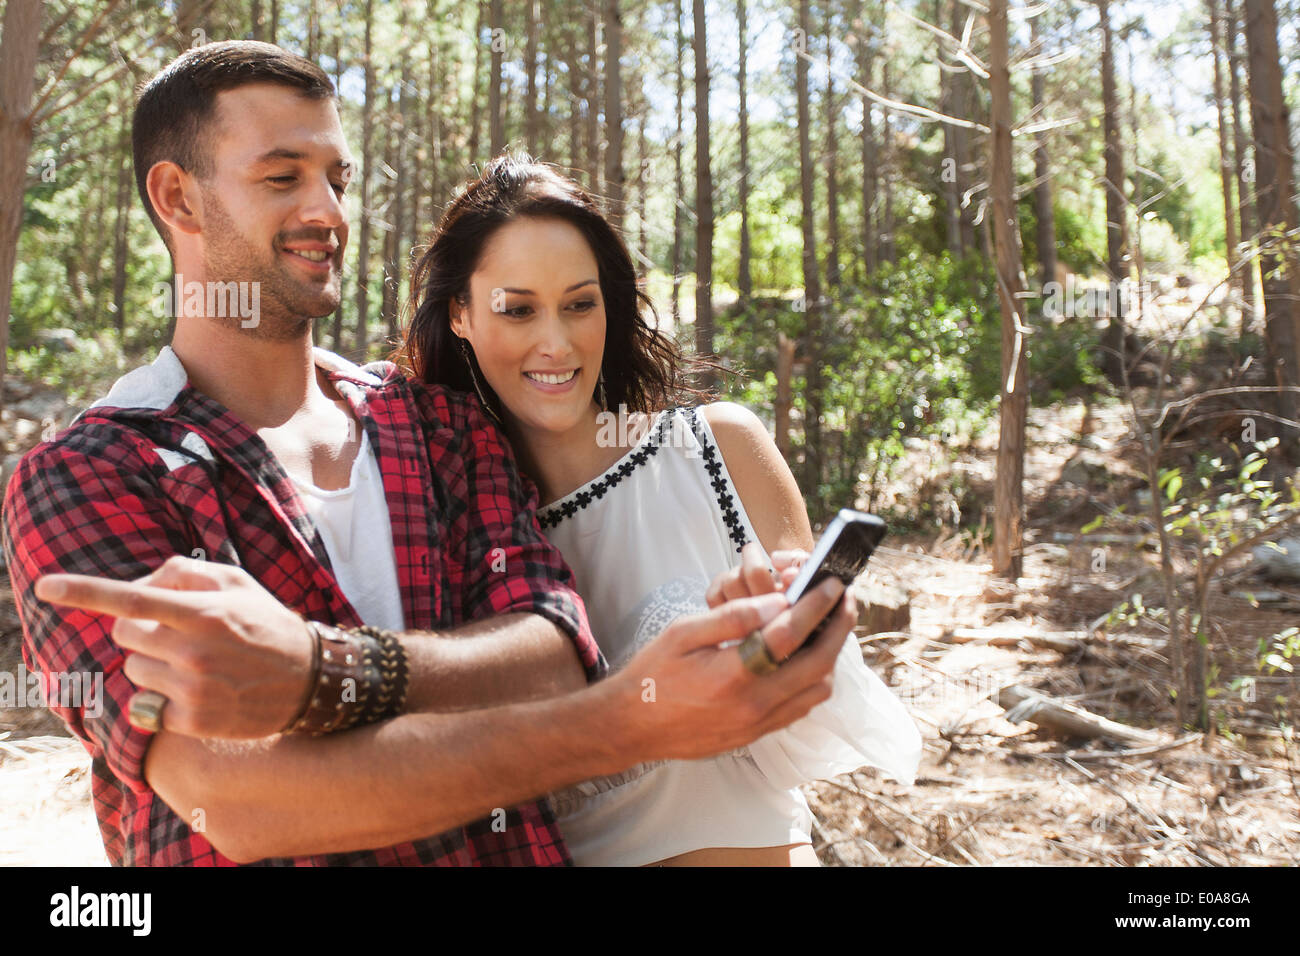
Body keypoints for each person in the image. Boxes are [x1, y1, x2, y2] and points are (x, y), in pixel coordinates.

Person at [4, 41, 856, 866]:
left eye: (337, 180)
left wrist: (319, 675)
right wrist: (626, 719)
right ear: (177, 198)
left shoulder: (436, 425)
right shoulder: (89, 474)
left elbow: (556, 660)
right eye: (282, 177)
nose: (328, 213)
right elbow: (236, 799)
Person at [399, 154, 922, 866]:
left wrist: (780, 657)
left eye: (580, 304)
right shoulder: (449, 525)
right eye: (518, 309)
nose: (556, 342)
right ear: (460, 313)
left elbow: (808, 741)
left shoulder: (718, 450)